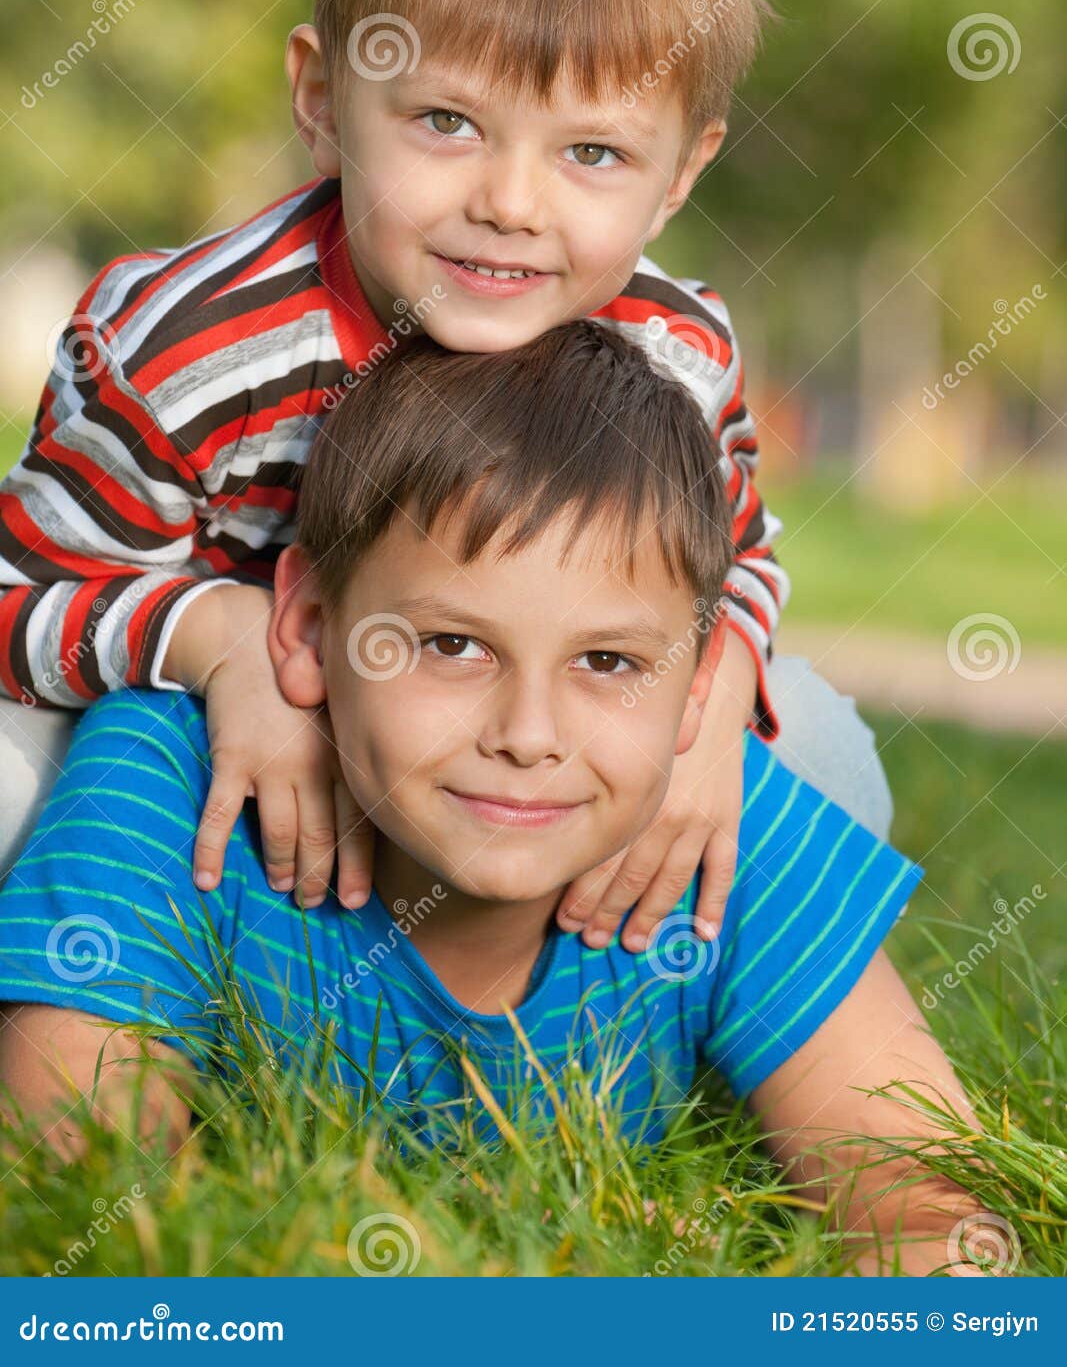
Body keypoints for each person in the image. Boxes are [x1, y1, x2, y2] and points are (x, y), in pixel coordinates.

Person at [0, 0, 891, 951]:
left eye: (590, 151)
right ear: (324, 100)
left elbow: (736, 560)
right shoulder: (192, 350)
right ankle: (120, 977)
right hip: (194, 752)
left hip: (487, 741)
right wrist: (219, 641)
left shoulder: (672, 356)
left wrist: (717, 679)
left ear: (679, 171)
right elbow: (21, 597)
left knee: (831, 765)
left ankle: (623, 1006)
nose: (510, 204)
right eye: (446, 123)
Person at [0, 324, 978, 1276]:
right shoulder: (175, 784)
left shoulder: (723, 836)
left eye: (607, 660)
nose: (527, 733)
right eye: (451, 644)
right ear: (302, 624)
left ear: (696, 689)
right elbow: (75, 1184)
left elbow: (920, 1193)